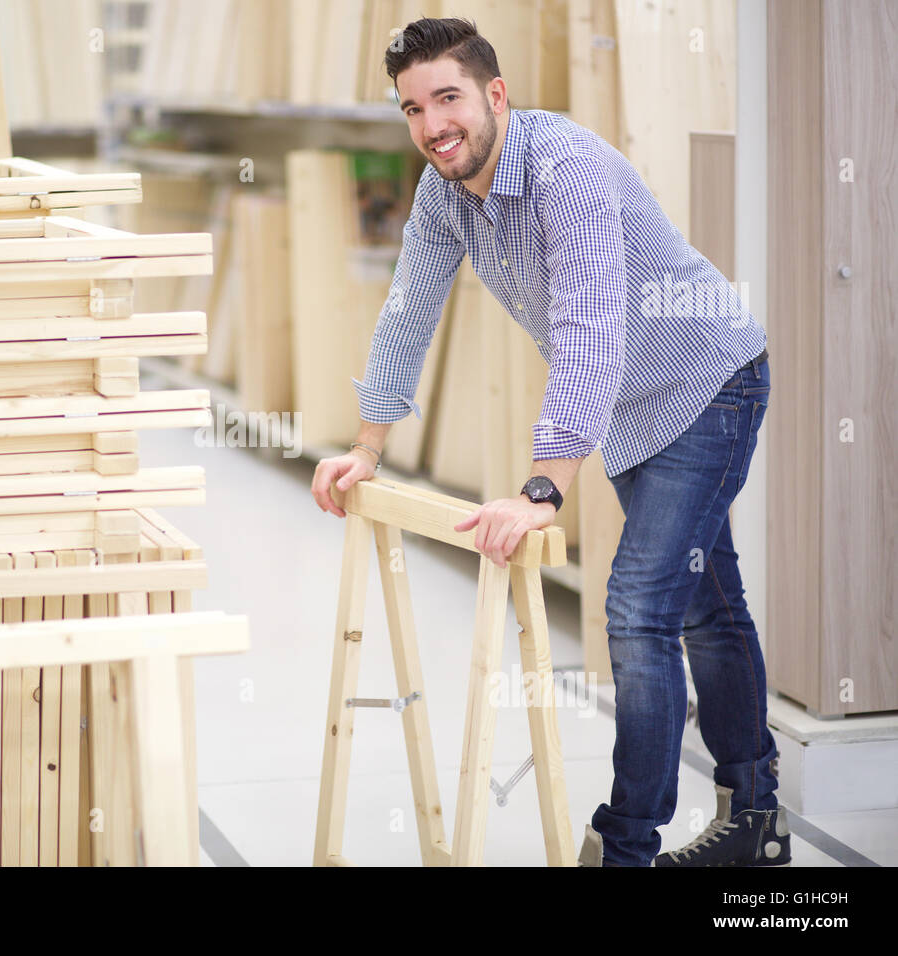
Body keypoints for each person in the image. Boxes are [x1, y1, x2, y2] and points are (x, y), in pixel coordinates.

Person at [309, 16, 788, 867]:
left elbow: (591, 330)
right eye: (412, 109)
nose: (431, 126)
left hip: (708, 378)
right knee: (708, 607)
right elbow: (409, 309)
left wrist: (542, 489)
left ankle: (625, 849)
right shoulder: (444, 191)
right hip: (634, 405)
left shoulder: (564, 171)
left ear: (495, 94)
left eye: (447, 98)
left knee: (640, 612)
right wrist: (369, 446)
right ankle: (756, 818)